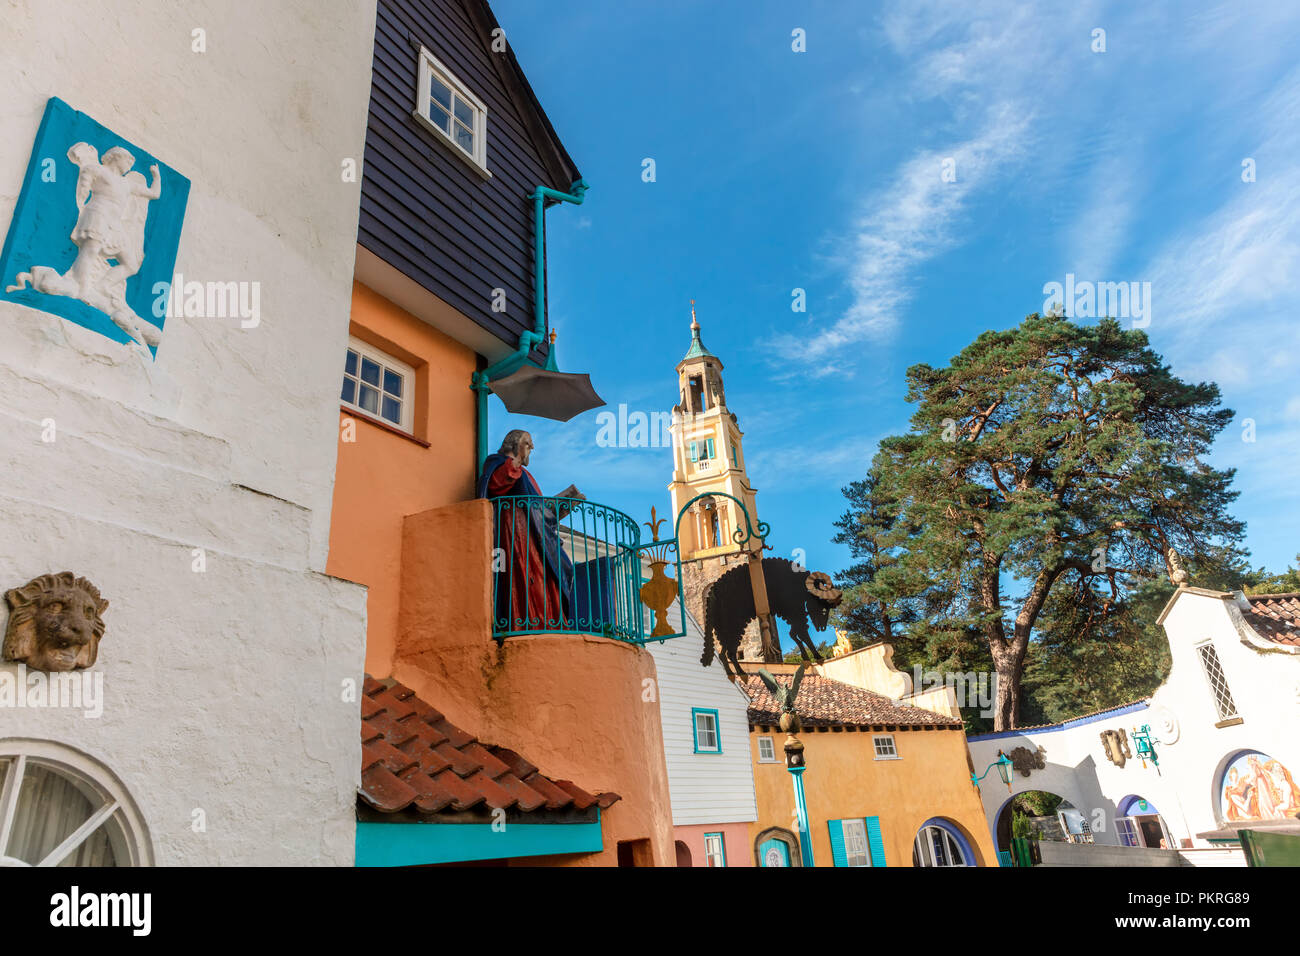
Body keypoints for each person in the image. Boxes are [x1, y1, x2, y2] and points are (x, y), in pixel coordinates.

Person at [477, 430, 583, 633]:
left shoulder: (527, 476)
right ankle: (526, 622)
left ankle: (551, 622)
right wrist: (514, 461)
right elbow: (496, 484)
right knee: (526, 578)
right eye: (527, 442)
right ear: (514, 445)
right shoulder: (496, 461)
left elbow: (540, 511)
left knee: (562, 569)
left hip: (538, 535)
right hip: (516, 532)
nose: (532, 447)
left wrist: (565, 504)